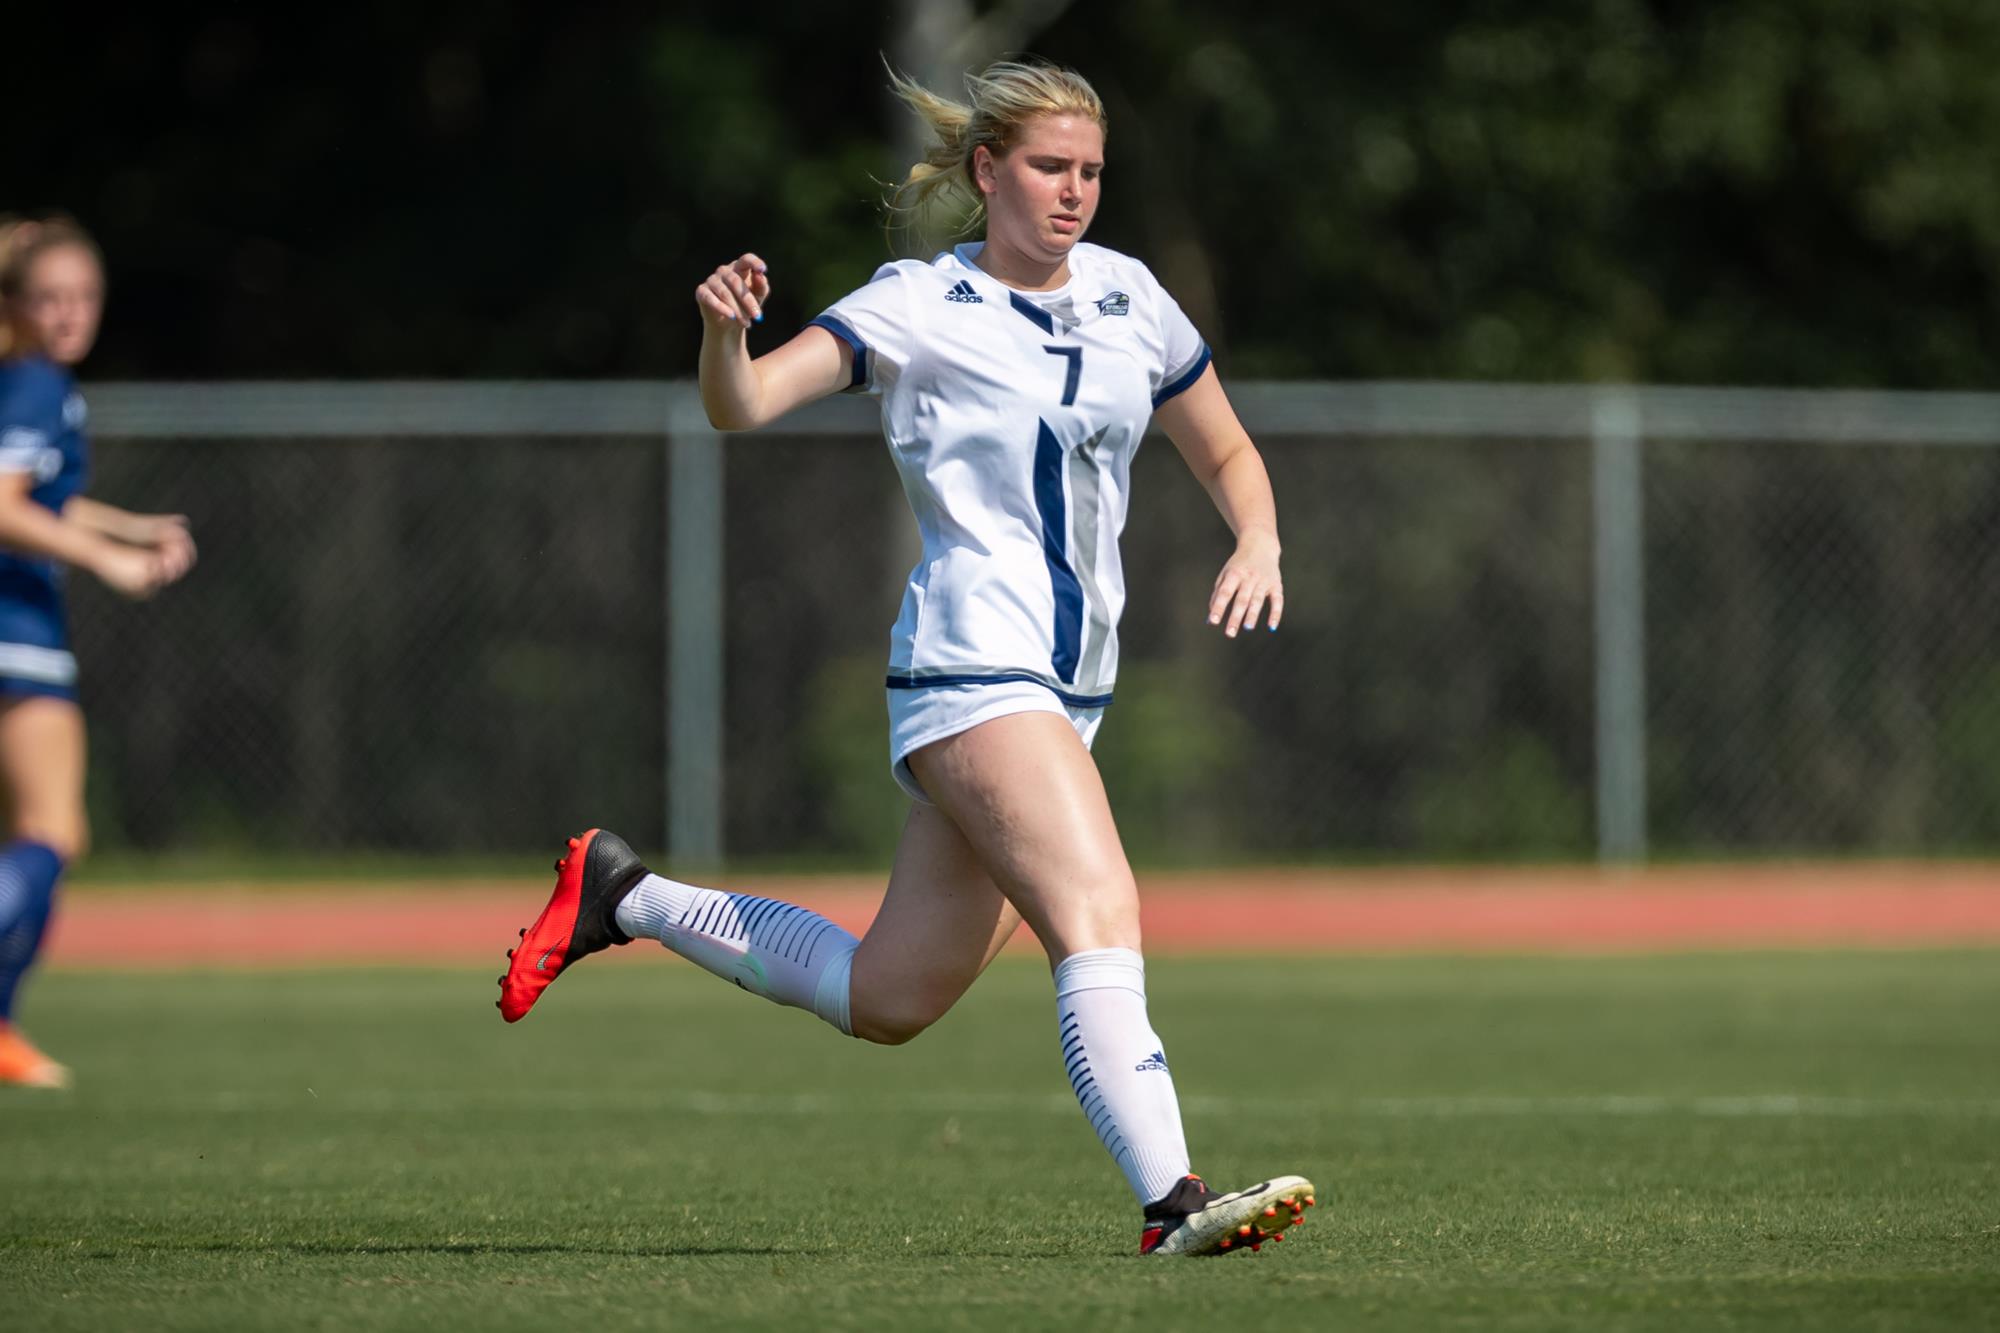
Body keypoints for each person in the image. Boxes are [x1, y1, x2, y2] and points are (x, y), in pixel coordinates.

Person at [498, 59, 1313, 1256]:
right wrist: (726, 339)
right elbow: (744, 406)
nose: (1072, 191)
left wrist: (1259, 535)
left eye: (1089, 171)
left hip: (1069, 689)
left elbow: (1228, 450)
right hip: (974, 667)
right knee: (1097, 909)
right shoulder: (918, 302)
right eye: (1046, 167)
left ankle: (624, 892)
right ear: (985, 170)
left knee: (888, 997)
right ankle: (1171, 1203)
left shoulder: (1132, 297)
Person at [0, 215, 197, 1088]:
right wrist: (110, 561)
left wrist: (125, 523)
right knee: (52, 830)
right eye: (50, 297)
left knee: (40, 832)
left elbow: (44, 495)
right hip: (18, 630)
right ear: (16, 304)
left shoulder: (32, 380)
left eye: (83, 296)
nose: (70, 313)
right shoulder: (35, 380)